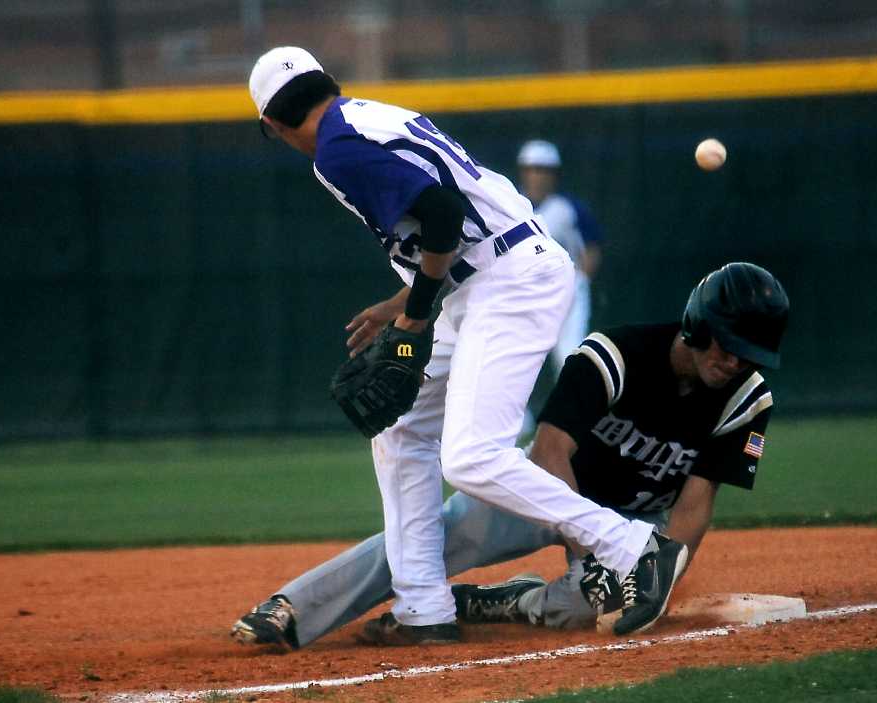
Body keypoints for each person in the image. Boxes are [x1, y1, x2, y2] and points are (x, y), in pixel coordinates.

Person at [240, 46, 684, 647]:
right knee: (398, 428)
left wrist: (415, 317)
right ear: (327, 83)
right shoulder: (363, 118)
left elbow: (447, 216)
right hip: (480, 278)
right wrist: (404, 304)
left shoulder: (338, 149)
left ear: (272, 124)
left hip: (508, 281)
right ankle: (426, 608)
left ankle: (634, 546)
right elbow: (453, 222)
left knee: (471, 456)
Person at [231, 262, 789, 647]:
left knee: (582, 612)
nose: (735, 361)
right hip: (544, 492)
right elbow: (549, 453)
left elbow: (696, 501)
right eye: (727, 343)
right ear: (698, 324)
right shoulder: (615, 355)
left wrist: (657, 581)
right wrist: (591, 550)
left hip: (634, 522)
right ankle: (295, 607)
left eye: (749, 353)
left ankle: (507, 600)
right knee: (428, 538)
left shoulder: (746, 398)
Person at [517, 140, 603, 371]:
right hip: (525, 291)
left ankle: (577, 406)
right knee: (515, 362)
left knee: (569, 357)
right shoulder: (512, 205)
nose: (538, 176)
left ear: (555, 175)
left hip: (566, 290)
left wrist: (582, 280)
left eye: (544, 170)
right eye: (533, 169)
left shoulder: (569, 207)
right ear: (524, 172)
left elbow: (592, 249)